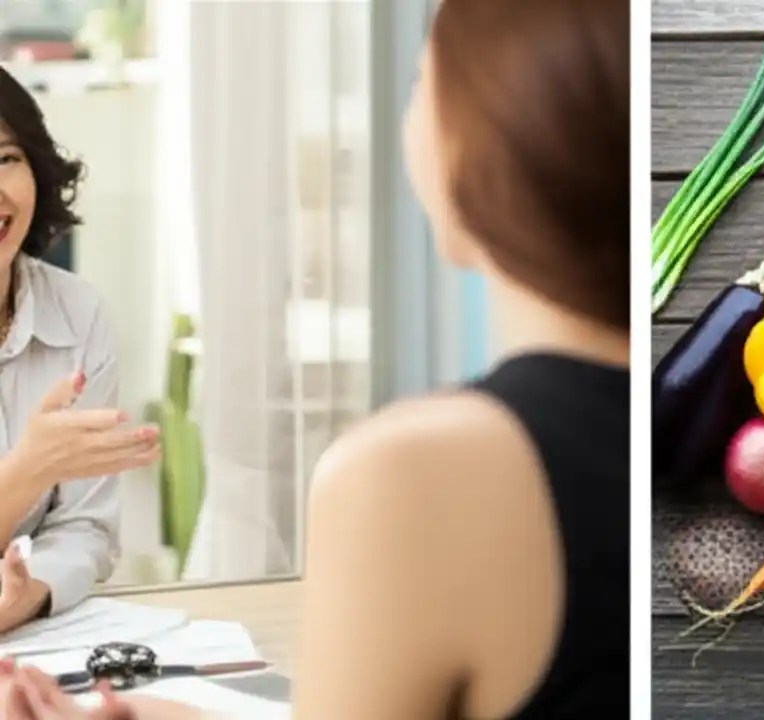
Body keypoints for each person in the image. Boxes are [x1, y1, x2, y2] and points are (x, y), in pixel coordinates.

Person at [0, 0, 629, 716]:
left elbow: (85, 530)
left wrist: (35, 583)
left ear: (472, 154)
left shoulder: (412, 476)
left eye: (421, 86)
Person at [0, 67, 160, 633]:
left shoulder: (77, 310)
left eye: (6, 159)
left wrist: (32, 593)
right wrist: (26, 472)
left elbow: (86, 524)